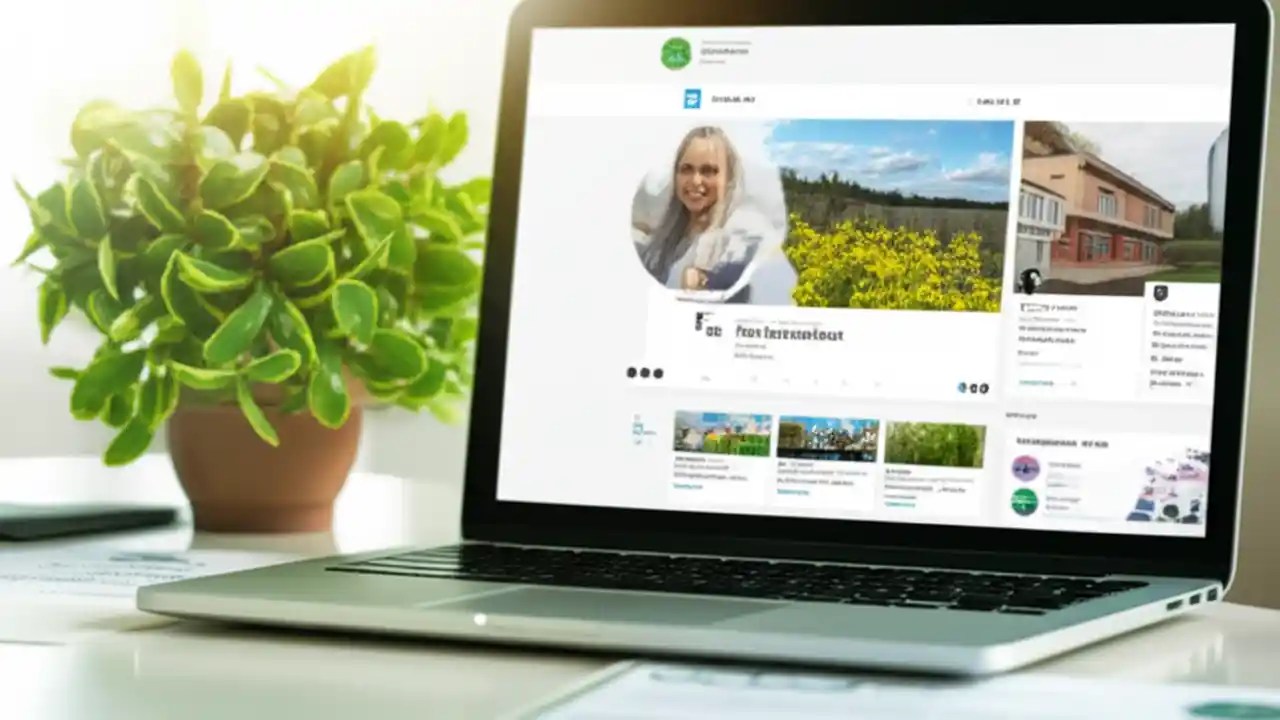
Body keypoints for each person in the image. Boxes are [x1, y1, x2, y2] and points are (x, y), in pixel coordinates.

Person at [634, 126, 770, 300]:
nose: (695, 181)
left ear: (728, 178)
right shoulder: (667, 241)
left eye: (708, 171)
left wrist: (706, 281)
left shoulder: (739, 236)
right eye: (686, 169)